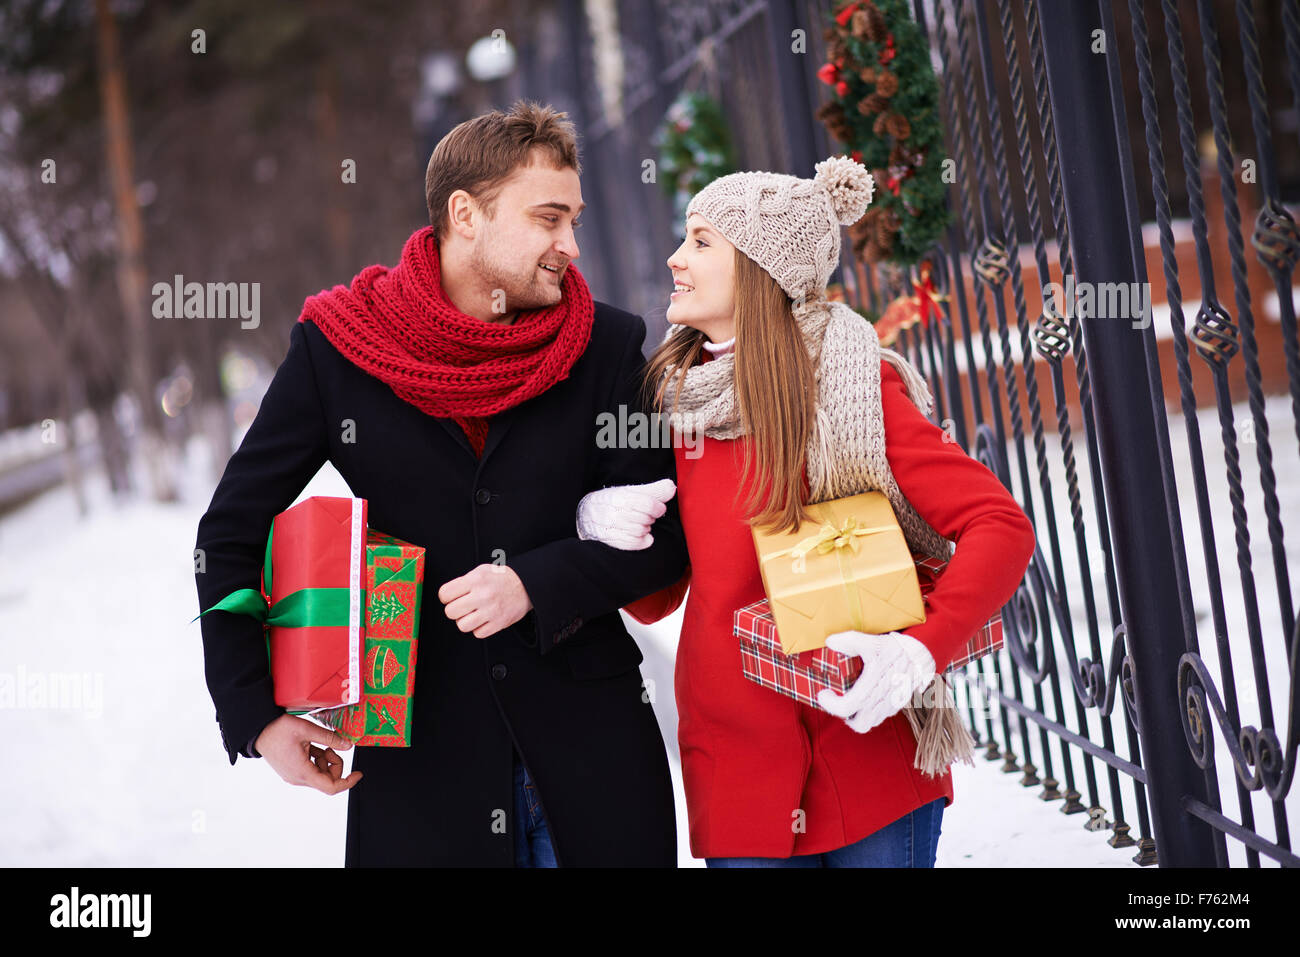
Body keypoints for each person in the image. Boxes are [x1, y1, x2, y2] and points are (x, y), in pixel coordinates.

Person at [194, 101, 687, 867]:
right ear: (466, 214)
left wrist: (535, 581)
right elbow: (229, 532)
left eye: (575, 220)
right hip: (422, 786)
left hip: (596, 773)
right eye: (550, 220)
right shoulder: (339, 347)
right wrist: (255, 714)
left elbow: (668, 540)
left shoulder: (607, 345)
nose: (572, 246)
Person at [576, 156, 1036, 867]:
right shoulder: (671, 403)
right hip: (737, 764)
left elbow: (1000, 527)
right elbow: (658, 597)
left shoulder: (852, 383)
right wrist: (606, 528)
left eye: (701, 241)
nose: (675, 258)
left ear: (761, 270)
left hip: (868, 756)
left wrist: (920, 648)